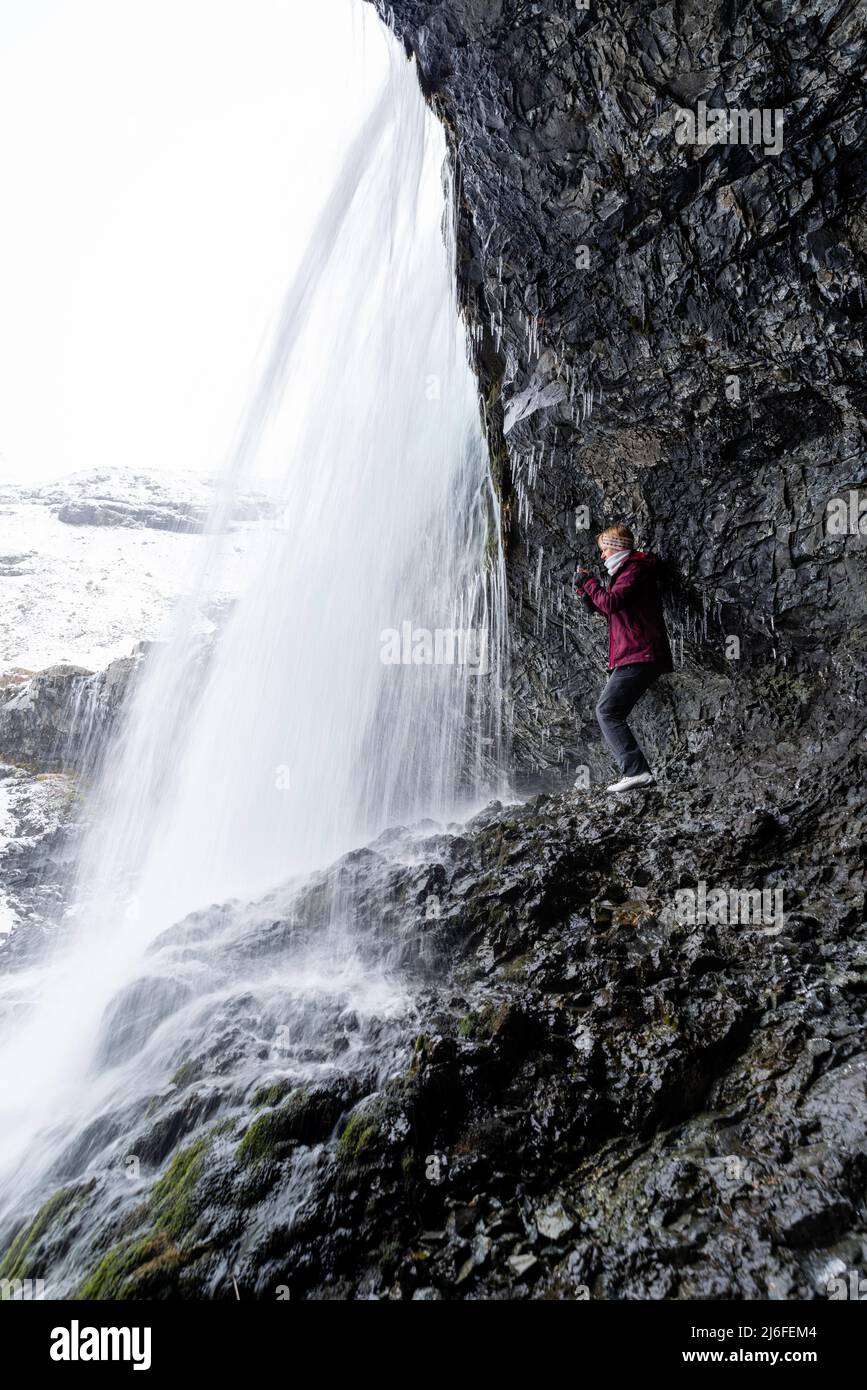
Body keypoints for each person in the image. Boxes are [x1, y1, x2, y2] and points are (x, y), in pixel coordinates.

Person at [575, 523, 673, 793]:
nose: (602, 556)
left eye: (604, 549)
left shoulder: (634, 569)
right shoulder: (624, 573)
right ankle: (636, 771)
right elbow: (611, 611)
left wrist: (590, 582)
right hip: (635, 654)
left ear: (617, 548)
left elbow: (611, 603)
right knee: (610, 711)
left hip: (640, 654)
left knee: (607, 711)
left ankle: (637, 772)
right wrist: (587, 595)